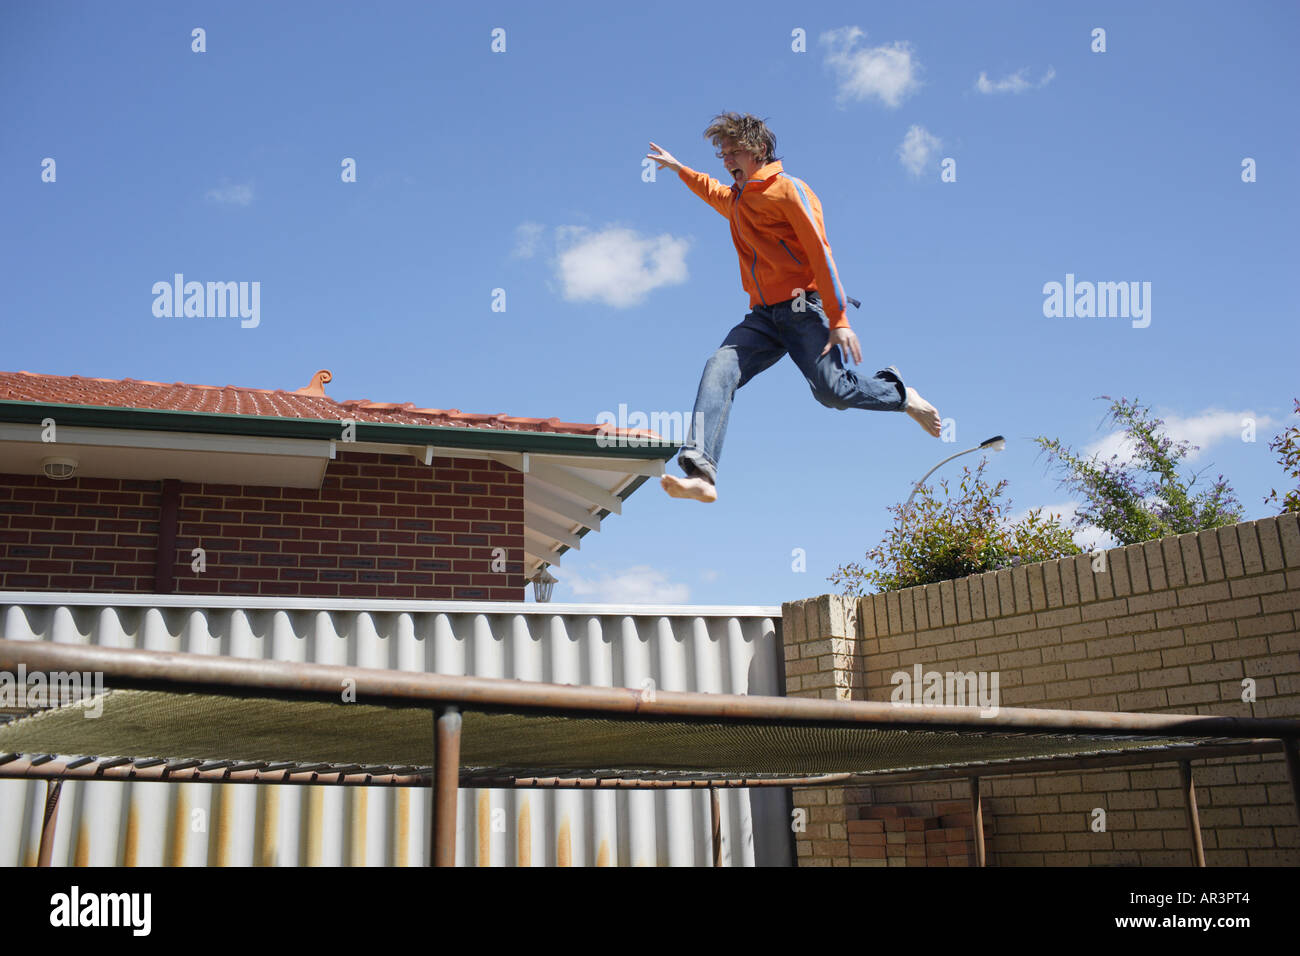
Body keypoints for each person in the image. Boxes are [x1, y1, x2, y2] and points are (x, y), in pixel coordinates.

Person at [647, 112, 942, 504]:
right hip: (764, 317)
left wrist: (839, 319)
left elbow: (821, 252)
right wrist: (679, 167)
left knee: (832, 392)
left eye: (735, 151)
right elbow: (711, 190)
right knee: (719, 366)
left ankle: (900, 394)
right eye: (723, 153)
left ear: (760, 151)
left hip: (804, 307)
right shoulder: (737, 199)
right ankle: (701, 471)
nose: (727, 160)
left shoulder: (788, 190)